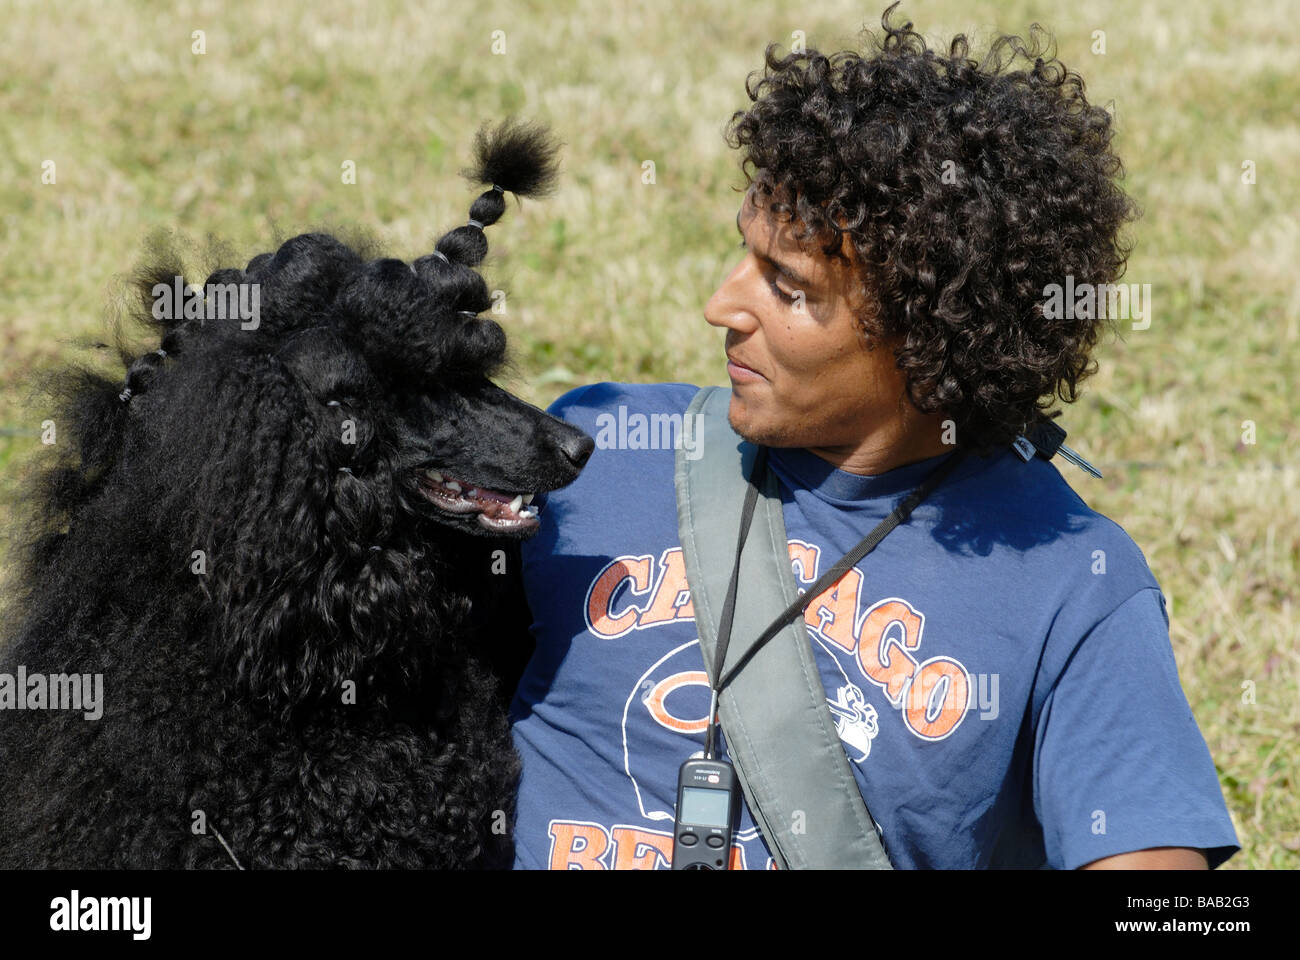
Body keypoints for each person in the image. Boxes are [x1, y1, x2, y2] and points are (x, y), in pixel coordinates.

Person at [502, 5, 1240, 869]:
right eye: (745, 253)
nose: (721, 306)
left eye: (788, 287)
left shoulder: (1072, 581)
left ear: (928, 336)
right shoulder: (597, 446)